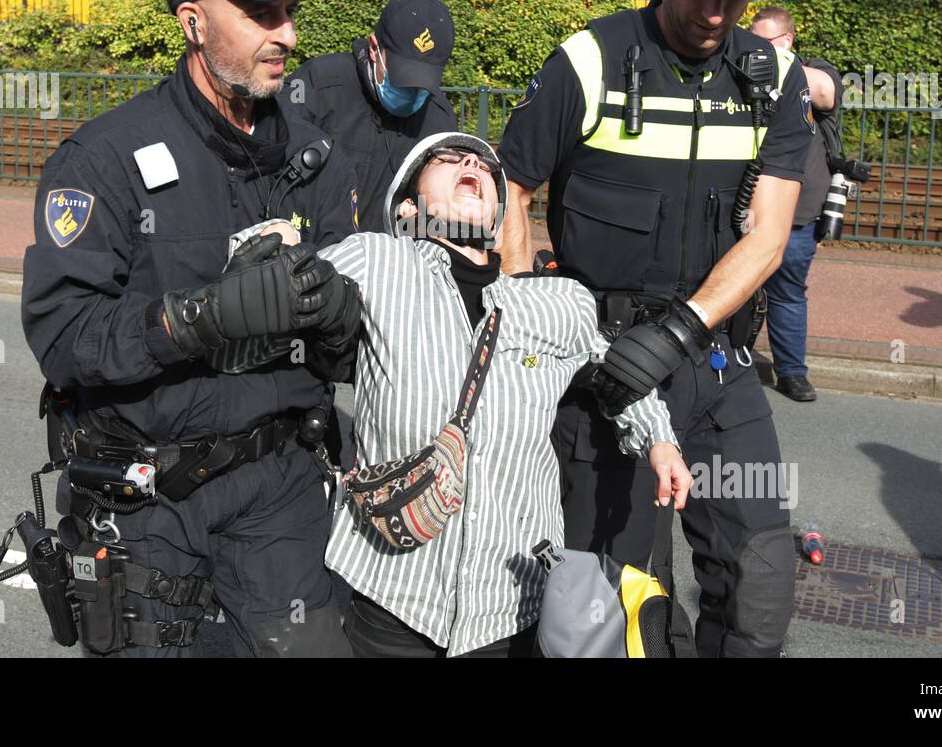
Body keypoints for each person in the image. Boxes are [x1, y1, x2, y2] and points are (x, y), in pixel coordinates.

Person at [20, 0, 362, 658]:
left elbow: (357, 354)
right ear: (193, 21)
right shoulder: (102, 159)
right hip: (147, 508)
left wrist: (340, 315)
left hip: (282, 498)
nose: (287, 35)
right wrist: (196, 321)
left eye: (291, 15)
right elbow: (64, 341)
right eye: (262, 14)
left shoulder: (317, 161)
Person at [496, 0, 814, 658]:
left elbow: (769, 236)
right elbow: (511, 187)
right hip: (602, 371)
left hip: (715, 364)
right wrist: (528, 326)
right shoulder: (590, 60)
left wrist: (680, 330)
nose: (717, 12)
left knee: (761, 578)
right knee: (617, 600)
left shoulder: (771, 78)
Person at [254, 133, 691, 657]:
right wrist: (275, 242)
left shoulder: (555, 304)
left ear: (498, 214)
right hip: (392, 590)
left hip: (510, 600)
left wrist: (659, 440)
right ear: (409, 206)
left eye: (485, 166)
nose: (472, 163)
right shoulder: (377, 261)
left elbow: (618, 376)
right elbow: (290, 285)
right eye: (448, 159)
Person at [279, 0, 458, 232]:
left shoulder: (440, 119)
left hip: (390, 263)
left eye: (423, 83)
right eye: (403, 78)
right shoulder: (318, 86)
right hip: (310, 254)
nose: (413, 92)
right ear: (374, 49)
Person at [750, 6, 845, 402]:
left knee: (787, 291)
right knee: (737, 286)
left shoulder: (812, 72)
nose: (751, 50)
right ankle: (726, 362)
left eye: (761, 42)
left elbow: (826, 93)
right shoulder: (750, 77)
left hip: (798, 211)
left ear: (786, 42)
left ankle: (791, 373)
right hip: (749, 206)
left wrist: (774, 62)